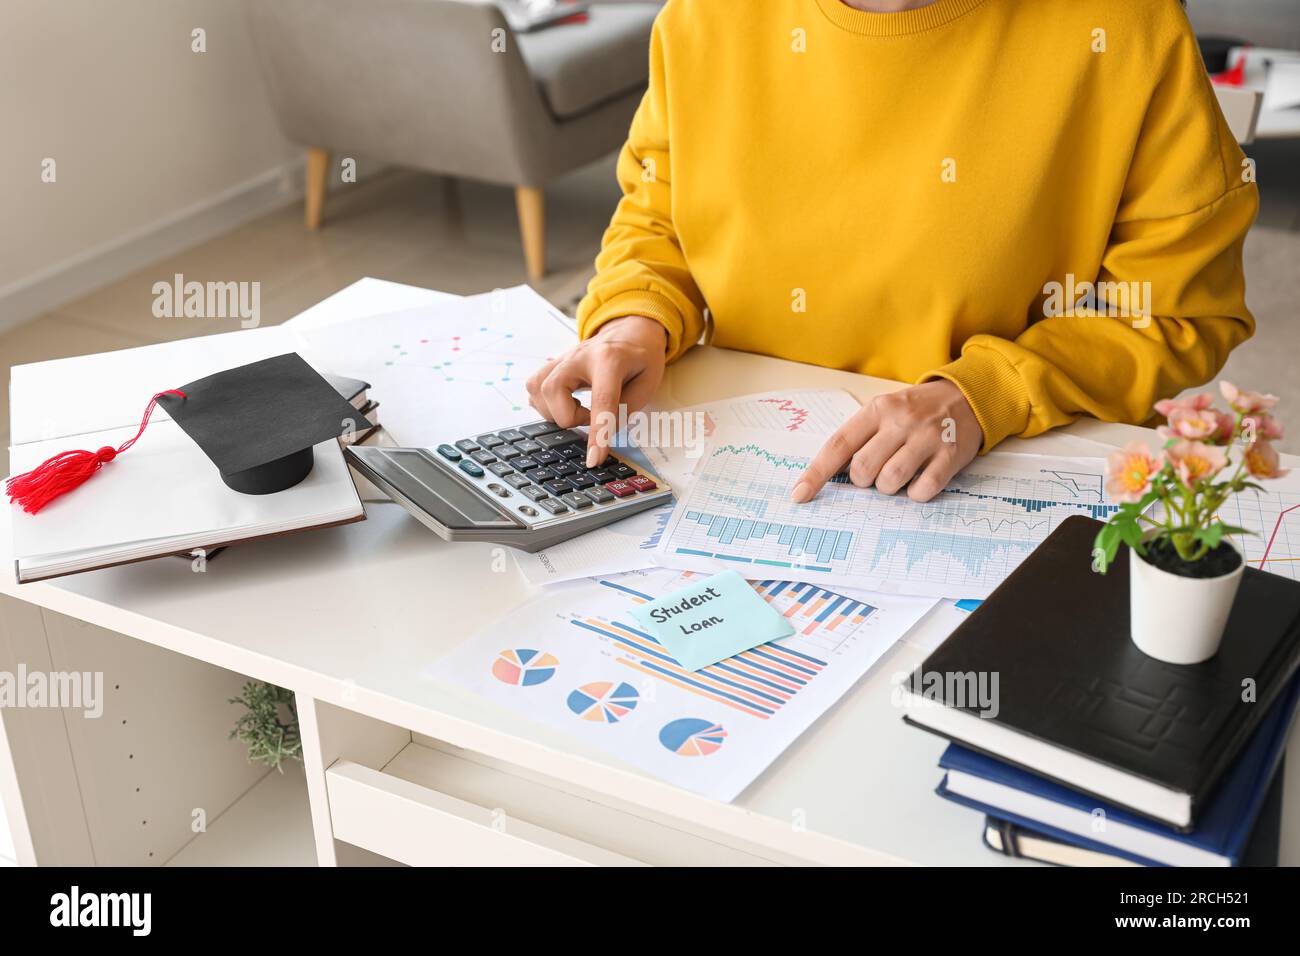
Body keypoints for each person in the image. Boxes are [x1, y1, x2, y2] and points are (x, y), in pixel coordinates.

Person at [525, 0, 1257, 503]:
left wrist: (983, 395)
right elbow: (659, 215)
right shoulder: (705, 16)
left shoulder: (1124, 27)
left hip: (1014, 469)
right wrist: (633, 318)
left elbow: (1177, 308)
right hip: (749, 469)